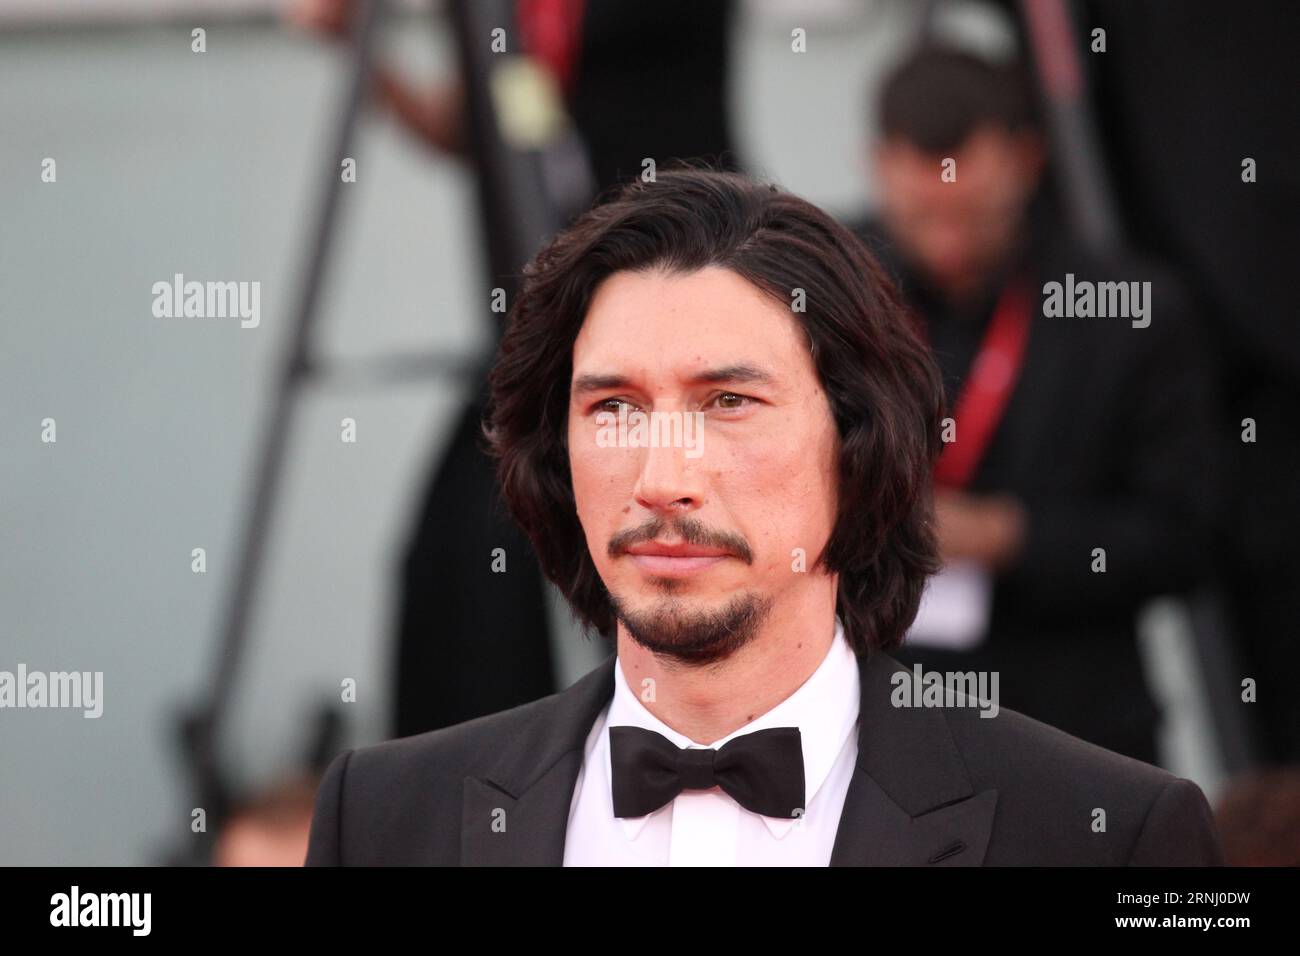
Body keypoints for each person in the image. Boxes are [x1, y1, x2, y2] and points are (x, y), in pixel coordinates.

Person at [305, 166, 1222, 866]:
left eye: (728, 403)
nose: (664, 478)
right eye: (614, 408)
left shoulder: (1101, 837)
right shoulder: (385, 820)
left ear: (858, 445)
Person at [846, 46, 1223, 765]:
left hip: (1074, 726)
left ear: (1026, 161)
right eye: (924, 218)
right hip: (872, 717)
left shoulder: (1131, 310)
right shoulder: (823, 297)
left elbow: (1189, 535)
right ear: (878, 164)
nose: (949, 244)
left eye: (972, 216)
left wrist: (1006, 535)